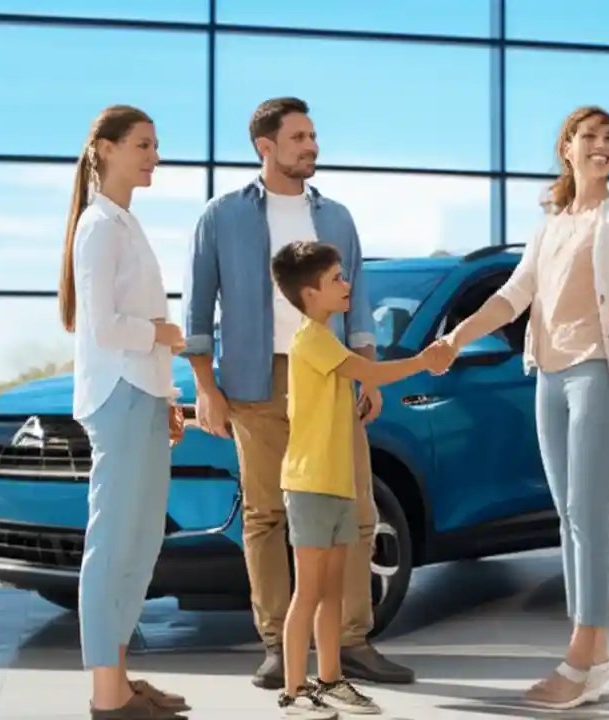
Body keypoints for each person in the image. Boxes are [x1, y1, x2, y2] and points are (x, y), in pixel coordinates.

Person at [180, 97, 415, 689]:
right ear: (266, 146)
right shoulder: (221, 216)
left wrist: (366, 368)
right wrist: (205, 387)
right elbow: (197, 309)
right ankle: (276, 647)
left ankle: (352, 642)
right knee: (265, 516)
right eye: (299, 137)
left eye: (313, 136)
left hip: (332, 378)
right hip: (255, 382)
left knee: (357, 512)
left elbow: (356, 297)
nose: (312, 146)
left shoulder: (335, 216)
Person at [428, 105, 609, 710]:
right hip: (548, 376)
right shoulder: (552, 223)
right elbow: (513, 294)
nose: (602, 145)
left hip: (600, 373)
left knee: (589, 510)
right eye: (590, 136)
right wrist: (455, 338)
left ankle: (583, 655)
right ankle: (595, 660)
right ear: (567, 148)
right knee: (567, 515)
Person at [268, 240, 448, 717]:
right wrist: (424, 362)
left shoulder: (324, 338)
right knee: (308, 592)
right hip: (309, 487)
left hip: (336, 483)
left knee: (331, 593)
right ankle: (293, 691)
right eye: (336, 280)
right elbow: (369, 371)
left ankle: (330, 680)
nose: (347, 286)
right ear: (310, 294)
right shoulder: (313, 341)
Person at [58, 105, 191, 720]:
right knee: (112, 543)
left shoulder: (124, 223)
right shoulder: (98, 226)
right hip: (117, 395)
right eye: (142, 144)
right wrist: (162, 334)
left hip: (141, 395)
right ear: (105, 150)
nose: (153, 155)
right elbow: (105, 326)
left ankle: (122, 681)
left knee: (138, 543)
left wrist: (165, 399)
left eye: (156, 145)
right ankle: (107, 696)